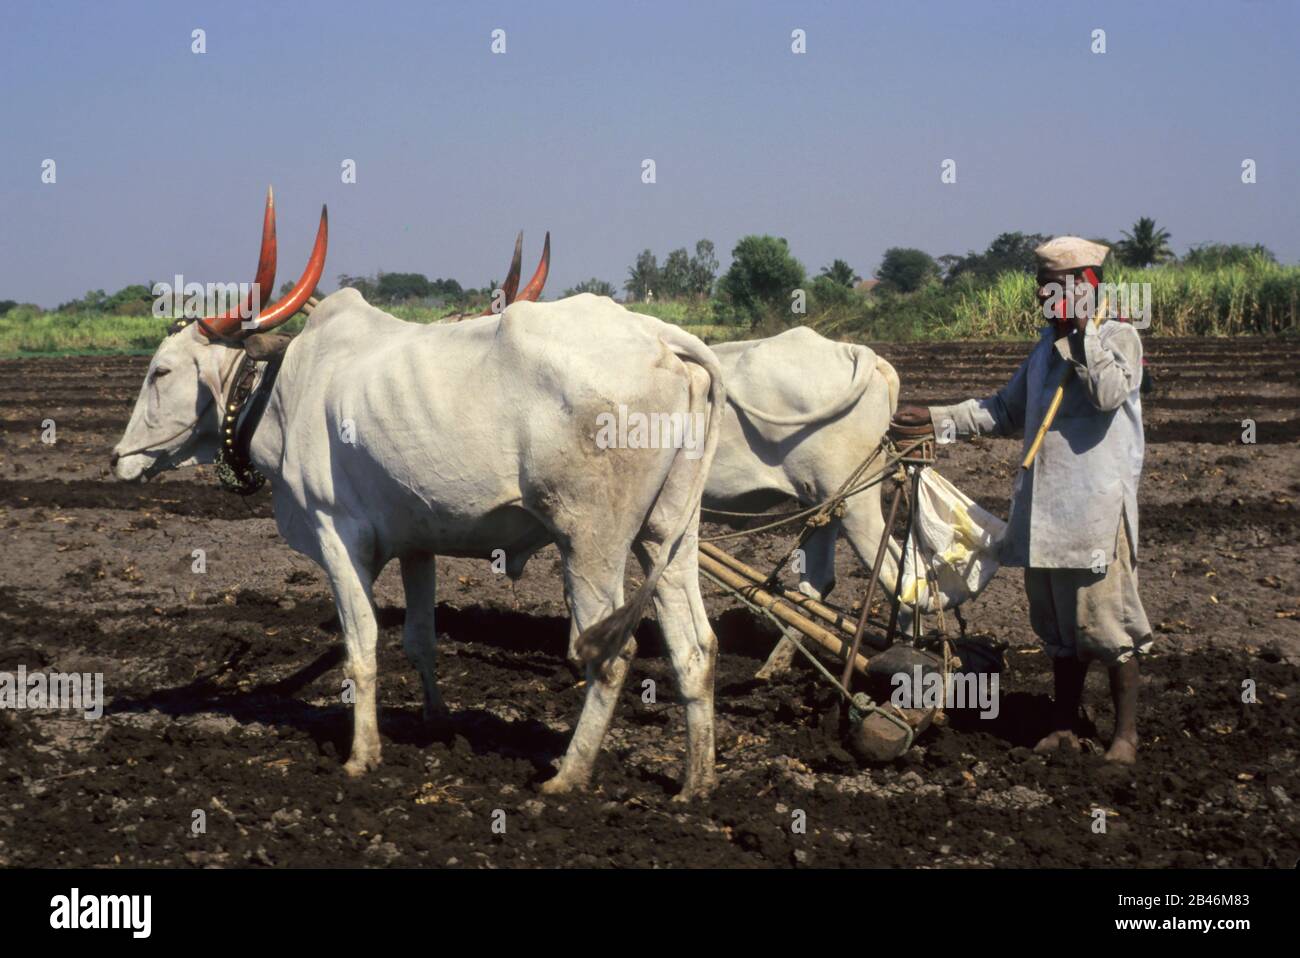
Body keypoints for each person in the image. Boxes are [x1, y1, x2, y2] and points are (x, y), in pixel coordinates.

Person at [894, 236, 1151, 764]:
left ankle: (1126, 735)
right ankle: (1063, 724)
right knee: (1059, 628)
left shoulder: (1120, 337)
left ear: (1083, 287)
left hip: (1096, 513)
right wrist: (936, 419)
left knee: (1107, 624)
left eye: (1051, 287)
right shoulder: (1042, 349)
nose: (1040, 296)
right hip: (1044, 512)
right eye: (1041, 286)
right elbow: (1001, 411)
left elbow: (1107, 394)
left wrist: (1082, 332)